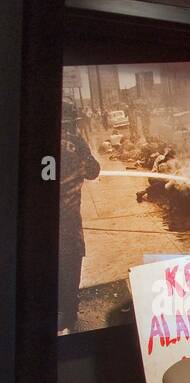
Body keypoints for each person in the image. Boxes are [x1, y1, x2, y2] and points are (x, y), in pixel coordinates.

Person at [59, 99, 101, 335]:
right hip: (68, 219)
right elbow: (94, 170)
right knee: (71, 259)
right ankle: (69, 313)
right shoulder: (74, 142)